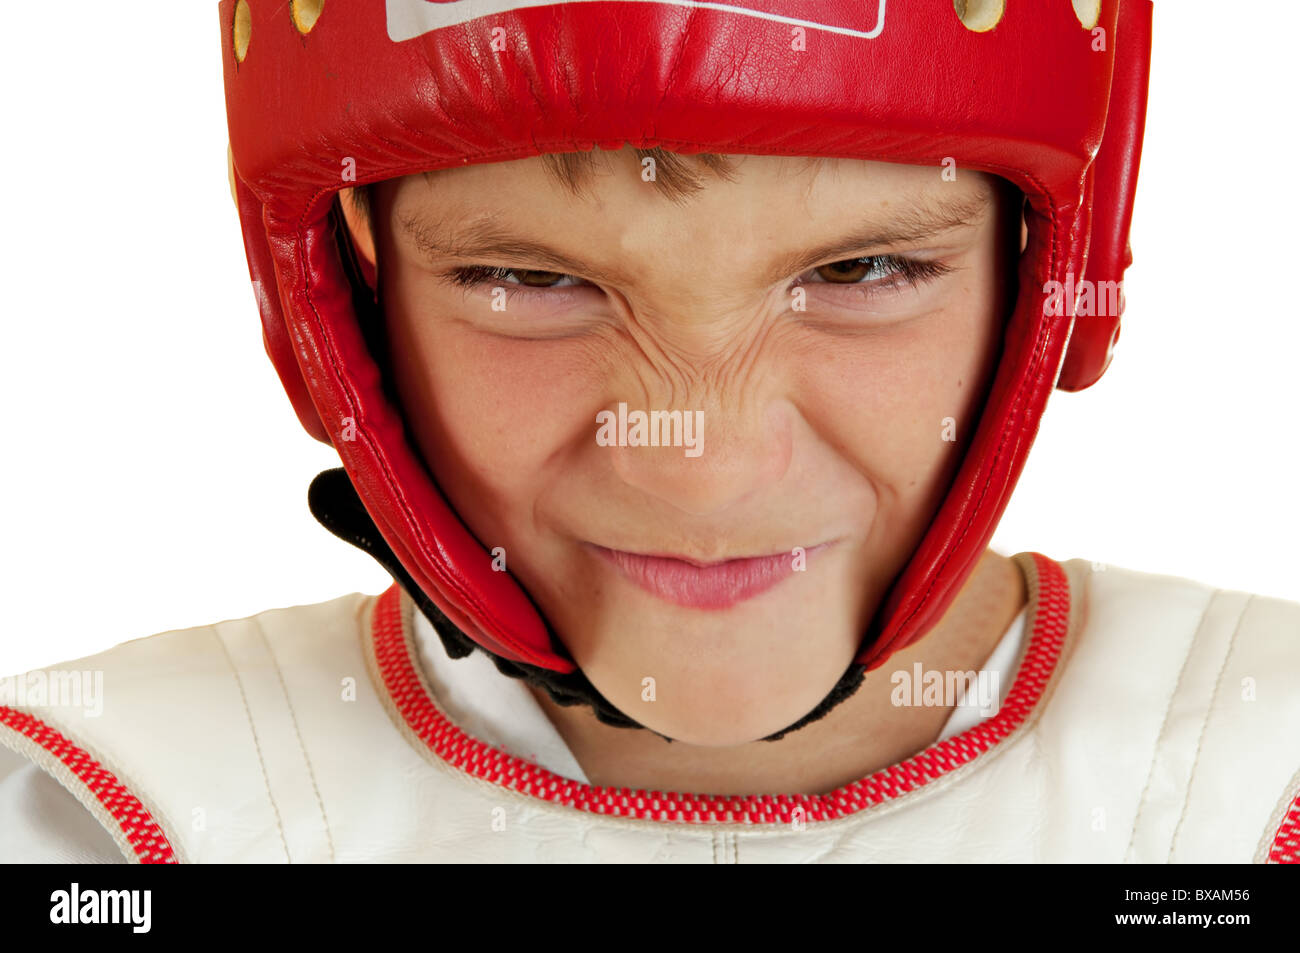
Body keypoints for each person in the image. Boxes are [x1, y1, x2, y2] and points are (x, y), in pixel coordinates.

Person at [2, 0, 1297, 863]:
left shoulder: (1258, 782)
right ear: (345, 287)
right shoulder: (103, 812)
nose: (706, 468)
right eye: (530, 282)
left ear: (1042, 273)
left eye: (860, 273)